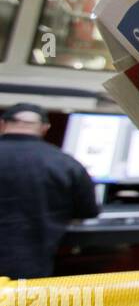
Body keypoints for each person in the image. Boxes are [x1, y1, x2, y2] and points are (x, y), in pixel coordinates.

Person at [0, 103, 99, 279]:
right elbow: (88, 210)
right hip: (27, 270)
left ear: (2, 124)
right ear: (45, 128)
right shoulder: (66, 164)